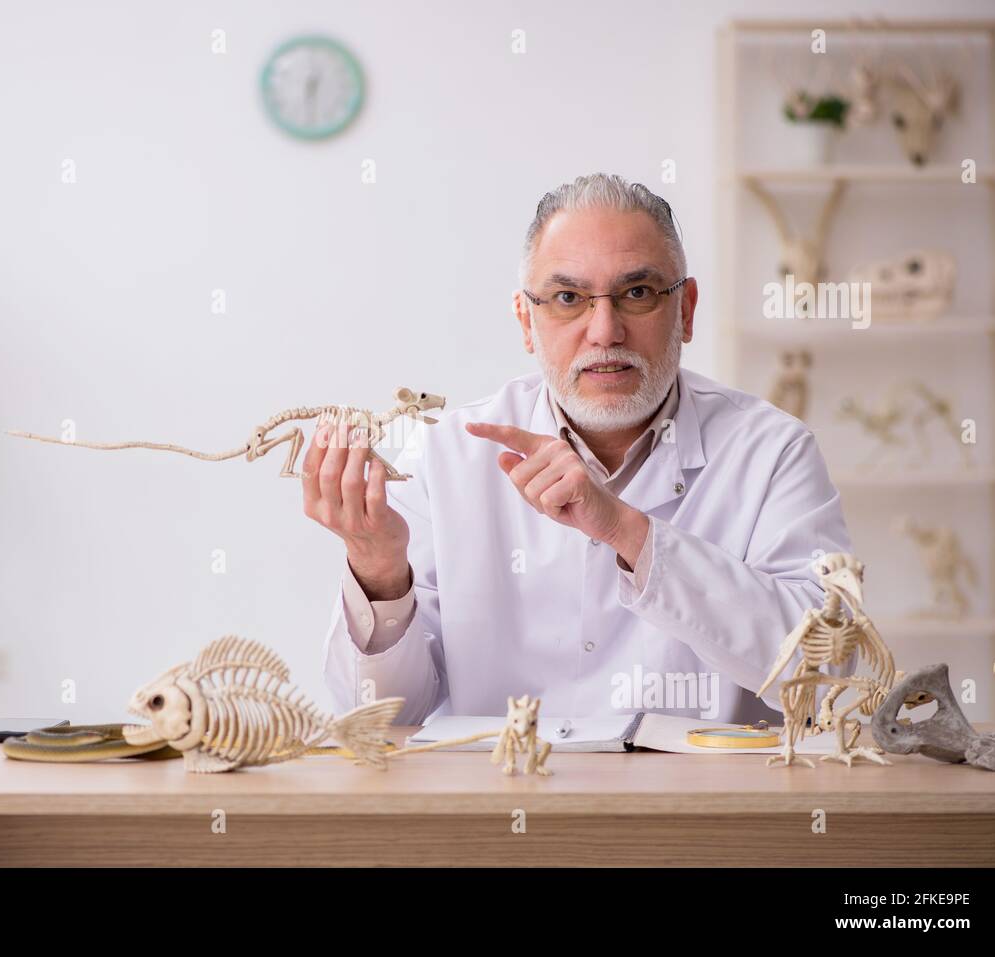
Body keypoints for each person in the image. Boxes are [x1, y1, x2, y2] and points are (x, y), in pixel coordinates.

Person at [304, 173, 852, 725]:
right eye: (568, 298)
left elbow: (828, 674)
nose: (604, 330)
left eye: (636, 293)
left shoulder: (771, 450)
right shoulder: (449, 456)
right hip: (500, 800)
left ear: (685, 310)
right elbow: (380, 719)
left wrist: (624, 530)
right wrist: (378, 573)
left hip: (698, 809)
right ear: (526, 320)